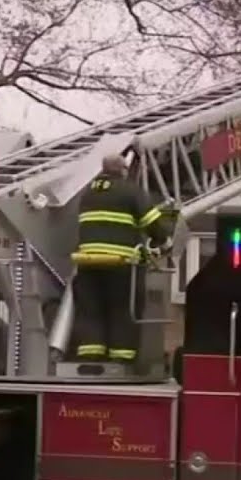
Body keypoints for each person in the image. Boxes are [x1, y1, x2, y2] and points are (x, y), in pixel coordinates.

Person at [71, 153, 176, 364]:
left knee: (91, 310)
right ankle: (121, 360)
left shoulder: (87, 195)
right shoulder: (130, 192)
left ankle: (91, 356)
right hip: (120, 264)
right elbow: (152, 223)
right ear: (122, 170)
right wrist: (165, 243)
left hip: (88, 264)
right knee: (122, 310)